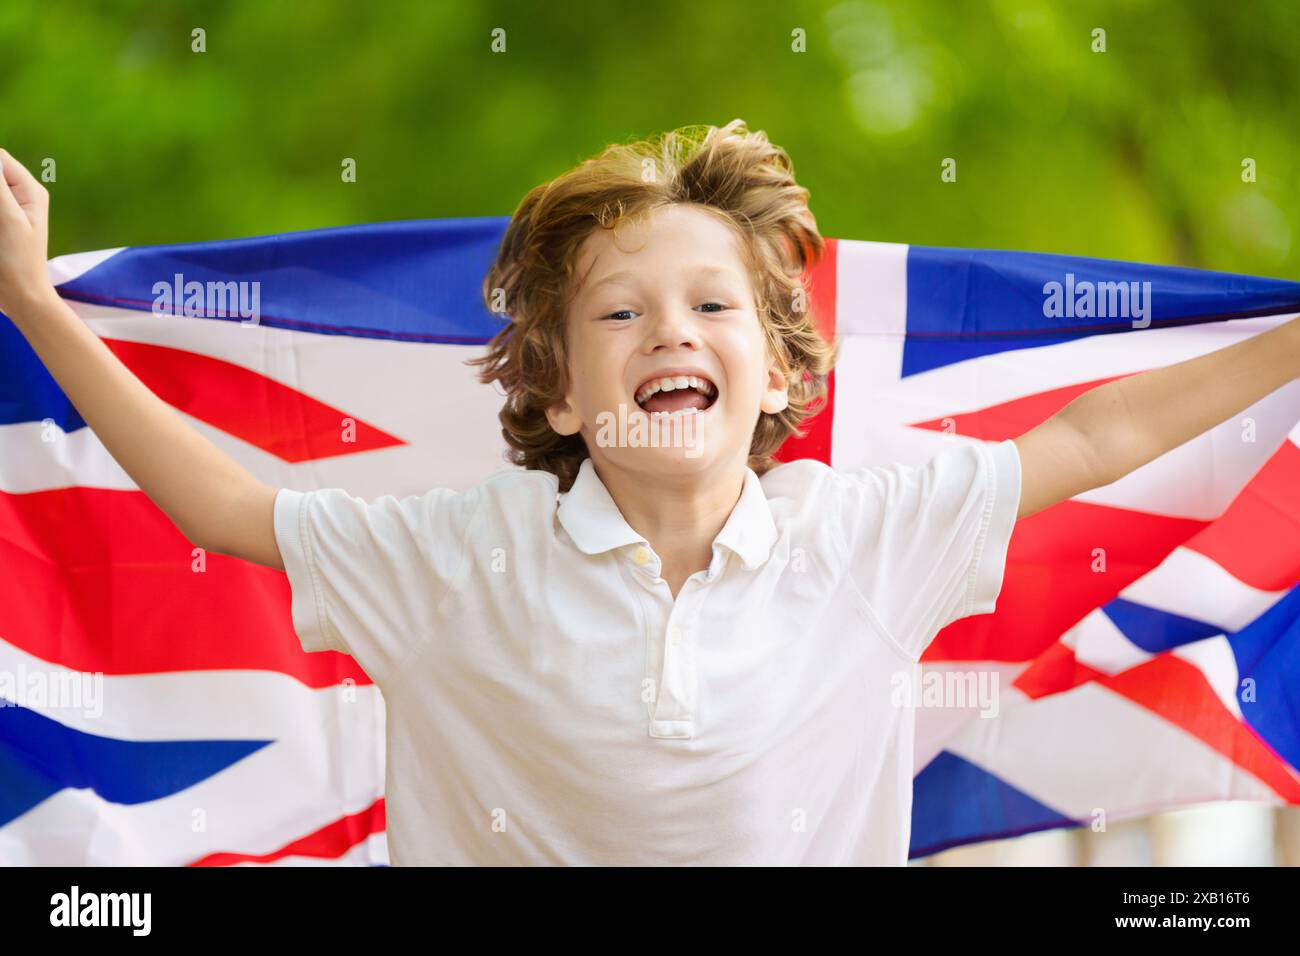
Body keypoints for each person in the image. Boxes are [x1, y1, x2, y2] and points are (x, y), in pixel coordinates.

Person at [1, 120, 1296, 865]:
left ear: (782, 369)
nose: (670, 331)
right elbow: (221, 507)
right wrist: (39, 309)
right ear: (561, 394)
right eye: (620, 312)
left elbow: (1097, 433)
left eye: (712, 305)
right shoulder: (458, 558)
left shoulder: (868, 537)